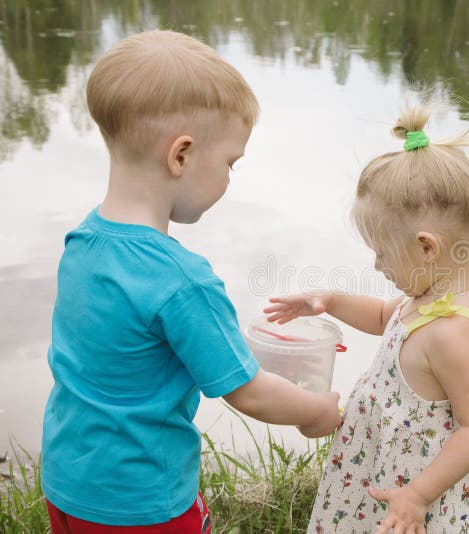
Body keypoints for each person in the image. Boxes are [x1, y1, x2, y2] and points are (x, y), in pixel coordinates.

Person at [41, 30, 341, 533]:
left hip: (68, 485)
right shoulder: (183, 280)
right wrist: (315, 411)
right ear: (180, 155)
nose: (229, 176)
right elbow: (247, 391)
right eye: (229, 162)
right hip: (141, 503)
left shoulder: (83, 241)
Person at [266, 106, 469, 533]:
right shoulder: (427, 295)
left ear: (427, 247)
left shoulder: (451, 333)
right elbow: (383, 316)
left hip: (426, 492)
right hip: (389, 471)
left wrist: (417, 495)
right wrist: (329, 299)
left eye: (382, 251)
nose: (377, 265)